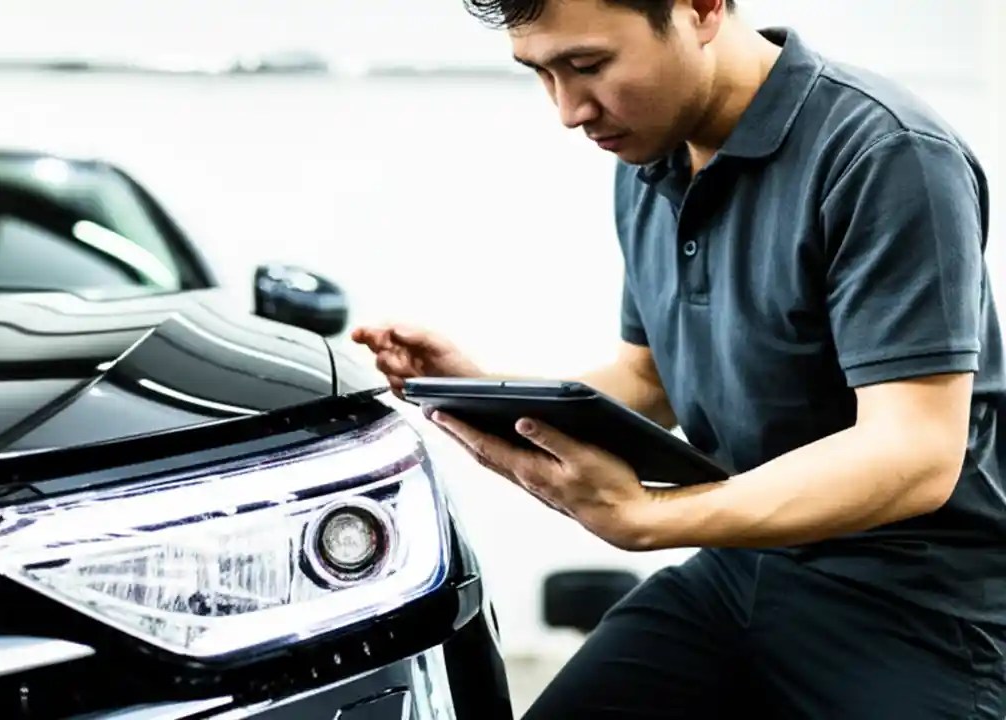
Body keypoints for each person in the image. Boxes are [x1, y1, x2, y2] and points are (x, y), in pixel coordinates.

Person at [351, 0, 1006, 717]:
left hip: (913, 601)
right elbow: (650, 375)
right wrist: (491, 393)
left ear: (700, 9)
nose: (569, 110)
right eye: (541, 73)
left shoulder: (887, 153)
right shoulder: (649, 157)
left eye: (588, 65)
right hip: (743, 571)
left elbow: (914, 453)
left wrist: (652, 517)